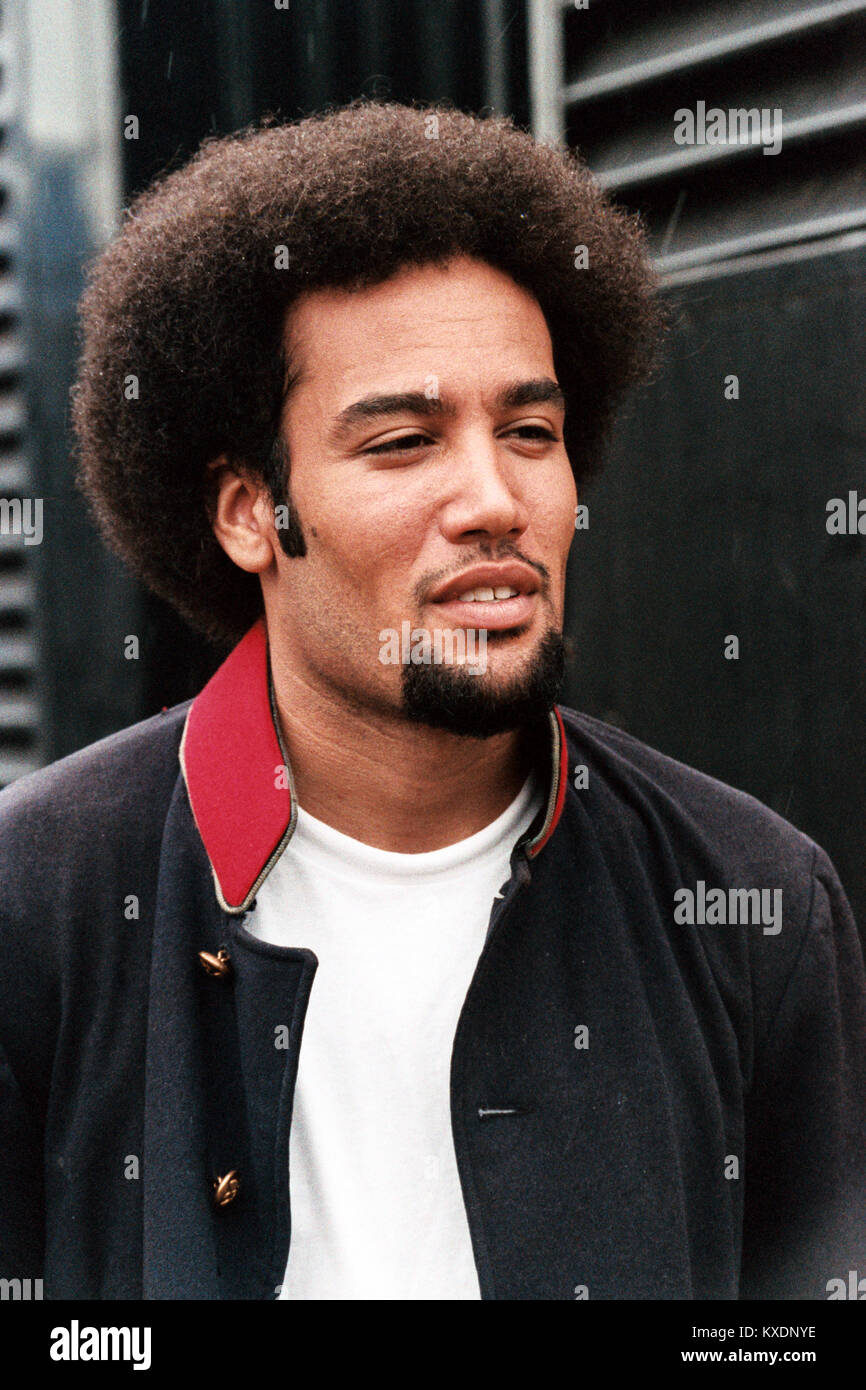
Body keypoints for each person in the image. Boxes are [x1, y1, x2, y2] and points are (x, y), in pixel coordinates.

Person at [1, 99, 864, 1301]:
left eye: (529, 430)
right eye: (404, 441)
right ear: (251, 512)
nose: (494, 499)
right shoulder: (38, 901)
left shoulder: (749, 900)